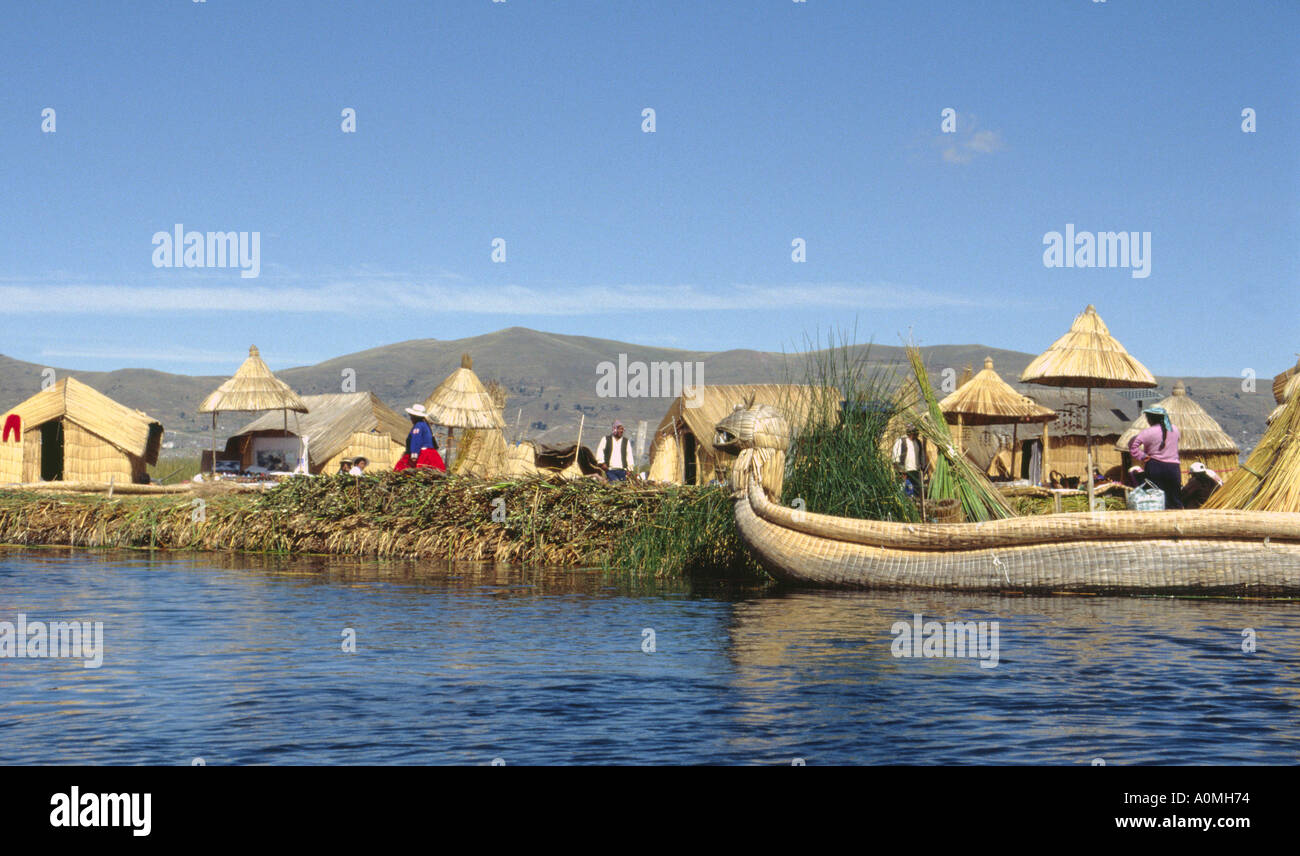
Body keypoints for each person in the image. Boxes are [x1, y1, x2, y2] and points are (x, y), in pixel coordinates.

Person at [1128, 405, 1183, 509]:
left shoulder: (1147, 432)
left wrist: (1143, 456)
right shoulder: (1175, 430)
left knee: (1156, 497)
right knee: (1175, 497)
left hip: (1155, 466)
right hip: (1173, 467)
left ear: (1150, 419)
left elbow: (1132, 446)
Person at [395, 404, 446, 472]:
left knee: (401, 468)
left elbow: (416, 440)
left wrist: (414, 455)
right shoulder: (425, 425)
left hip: (423, 454)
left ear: (415, 417)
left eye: (412, 416)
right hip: (432, 454)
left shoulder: (418, 426)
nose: (411, 418)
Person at [892, 426, 928, 496]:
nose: (915, 436)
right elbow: (895, 457)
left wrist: (923, 467)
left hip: (915, 471)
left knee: (916, 490)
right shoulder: (901, 441)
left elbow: (922, 455)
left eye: (916, 434)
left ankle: (915, 504)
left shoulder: (918, 442)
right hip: (904, 471)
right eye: (914, 434)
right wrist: (900, 471)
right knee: (902, 490)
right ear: (909, 433)